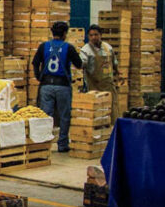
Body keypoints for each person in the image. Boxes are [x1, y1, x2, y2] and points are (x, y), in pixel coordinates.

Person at [32, 21, 83, 153]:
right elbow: (79, 64)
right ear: (65, 33)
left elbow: (35, 62)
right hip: (62, 86)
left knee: (46, 116)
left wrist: (39, 77)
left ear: (52, 32)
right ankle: (62, 144)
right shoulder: (68, 47)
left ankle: (44, 143)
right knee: (64, 116)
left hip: (46, 85)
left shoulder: (44, 46)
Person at [79, 25, 119, 122]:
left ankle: (112, 129)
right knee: (97, 111)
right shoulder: (85, 50)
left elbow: (114, 63)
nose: (93, 37)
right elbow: (81, 64)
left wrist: (117, 73)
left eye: (96, 35)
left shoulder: (108, 48)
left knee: (112, 108)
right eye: (91, 35)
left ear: (101, 35)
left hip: (108, 85)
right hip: (94, 86)